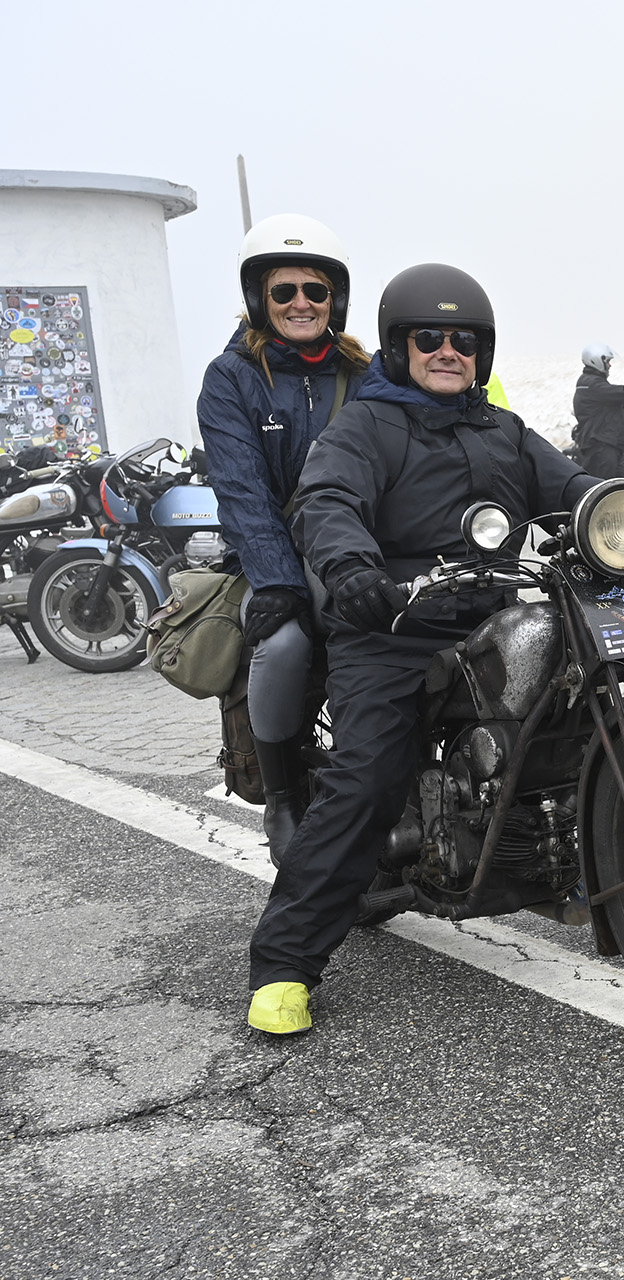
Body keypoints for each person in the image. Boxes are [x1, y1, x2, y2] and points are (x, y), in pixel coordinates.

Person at [245, 264, 604, 1036]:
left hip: (489, 616)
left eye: (465, 341)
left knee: (586, 708)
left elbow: (572, 484)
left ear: (484, 351)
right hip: (392, 628)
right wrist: (351, 569)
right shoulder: (364, 427)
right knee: (368, 778)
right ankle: (283, 963)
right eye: (430, 338)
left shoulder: (502, 430)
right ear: (399, 345)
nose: (449, 351)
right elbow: (327, 501)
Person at [197, 214, 370, 868]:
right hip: (276, 555)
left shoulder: (367, 374)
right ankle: (284, 797)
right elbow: (242, 490)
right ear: (257, 302)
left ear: (336, 300)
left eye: (316, 291)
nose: (301, 303)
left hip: (357, 551)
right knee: (286, 643)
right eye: (284, 292)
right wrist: (276, 581)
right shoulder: (233, 378)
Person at [572, 344, 624, 479]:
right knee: (605, 488)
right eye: (607, 362)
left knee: (623, 487)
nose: (609, 366)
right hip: (602, 447)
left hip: (608, 446)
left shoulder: (591, 382)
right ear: (596, 361)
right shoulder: (592, 384)